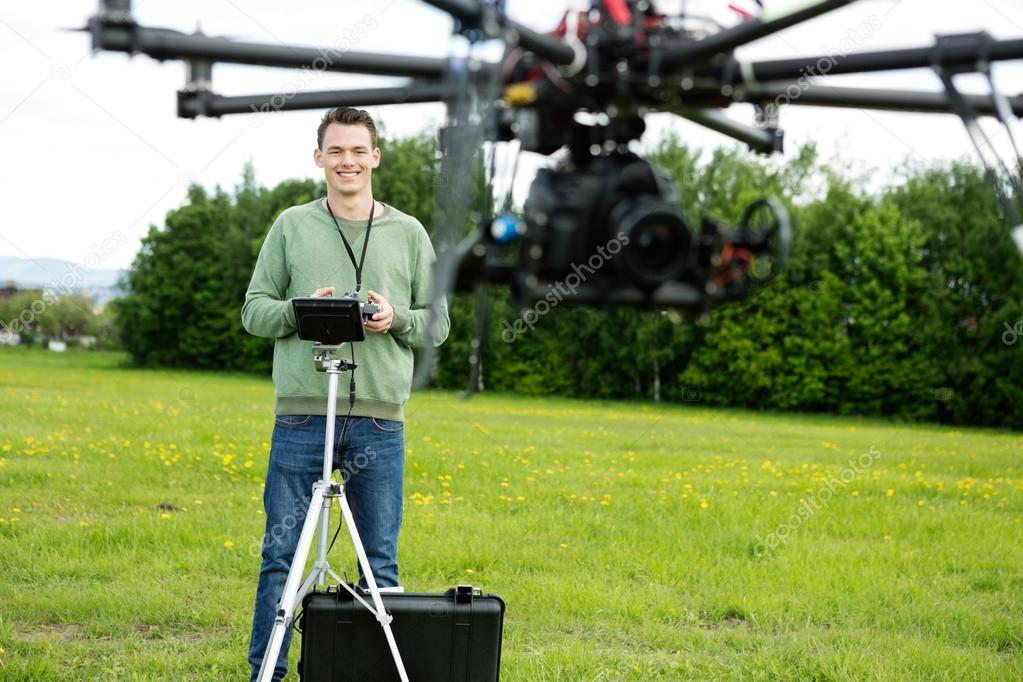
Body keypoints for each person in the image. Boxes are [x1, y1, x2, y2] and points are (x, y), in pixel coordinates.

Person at [240, 106, 449, 681]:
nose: (348, 161)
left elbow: (439, 323)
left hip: (380, 421)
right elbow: (254, 312)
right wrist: (301, 311)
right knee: (279, 557)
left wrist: (397, 318)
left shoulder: (408, 232)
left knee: (378, 562)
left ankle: (370, 674)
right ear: (319, 158)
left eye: (358, 150)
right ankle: (268, 674)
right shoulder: (291, 224)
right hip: (303, 417)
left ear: (375, 157)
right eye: (336, 151)